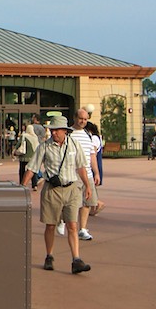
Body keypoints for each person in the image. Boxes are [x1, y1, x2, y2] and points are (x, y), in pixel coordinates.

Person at [21, 114, 92, 274]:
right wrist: (23, 186)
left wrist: (87, 185)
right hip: (52, 190)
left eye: (56, 130)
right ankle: (49, 255)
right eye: (52, 130)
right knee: (51, 225)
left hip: (72, 188)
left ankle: (76, 259)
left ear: (65, 131)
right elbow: (32, 167)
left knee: (73, 225)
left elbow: (81, 167)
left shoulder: (74, 145)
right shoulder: (44, 146)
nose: (53, 133)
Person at [66, 108, 100, 241]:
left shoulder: (88, 134)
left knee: (87, 202)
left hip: (88, 174)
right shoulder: (69, 133)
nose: (83, 121)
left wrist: (96, 173)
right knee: (72, 203)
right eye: (81, 119)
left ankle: (83, 229)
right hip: (73, 174)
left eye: (86, 119)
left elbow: (92, 156)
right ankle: (69, 225)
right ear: (75, 117)